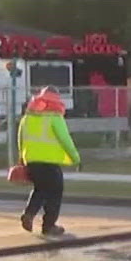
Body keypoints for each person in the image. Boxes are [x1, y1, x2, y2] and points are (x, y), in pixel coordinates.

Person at [18, 87, 81, 236]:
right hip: (49, 162)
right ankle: (49, 225)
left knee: (40, 189)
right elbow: (65, 140)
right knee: (55, 192)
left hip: (31, 160)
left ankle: (29, 213)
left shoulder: (27, 117)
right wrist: (76, 158)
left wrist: (22, 157)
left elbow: (20, 138)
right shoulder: (54, 118)